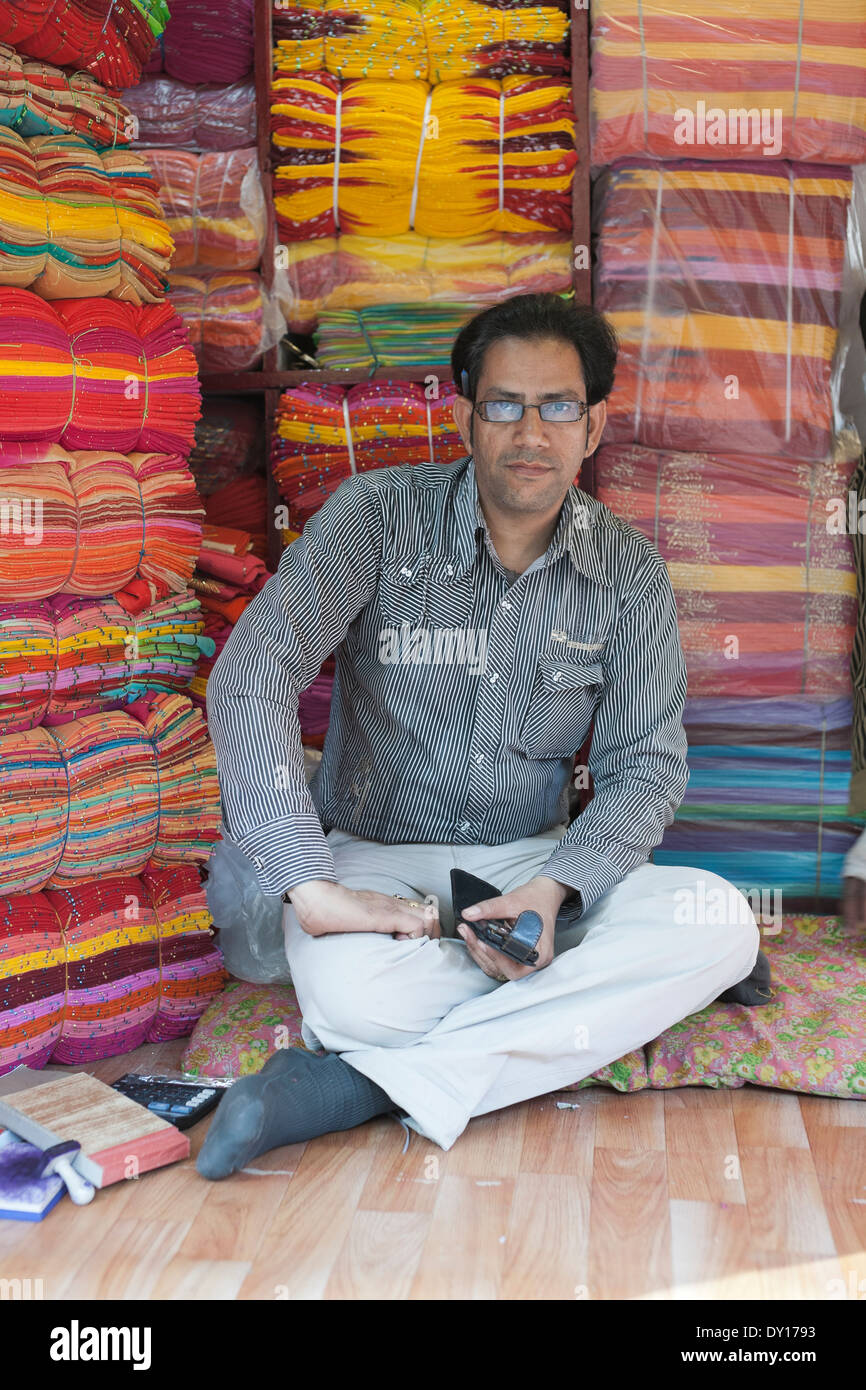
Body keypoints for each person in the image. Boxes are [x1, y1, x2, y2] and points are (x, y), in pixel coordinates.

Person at [197, 293, 759, 1179]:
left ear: (593, 424)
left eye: (558, 406)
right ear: (465, 417)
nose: (531, 432)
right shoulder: (375, 518)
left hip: (530, 867)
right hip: (376, 864)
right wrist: (310, 887)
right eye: (504, 404)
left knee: (721, 923)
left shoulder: (629, 573)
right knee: (351, 999)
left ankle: (358, 1088)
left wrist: (553, 893)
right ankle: (592, 997)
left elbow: (645, 771)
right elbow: (251, 674)